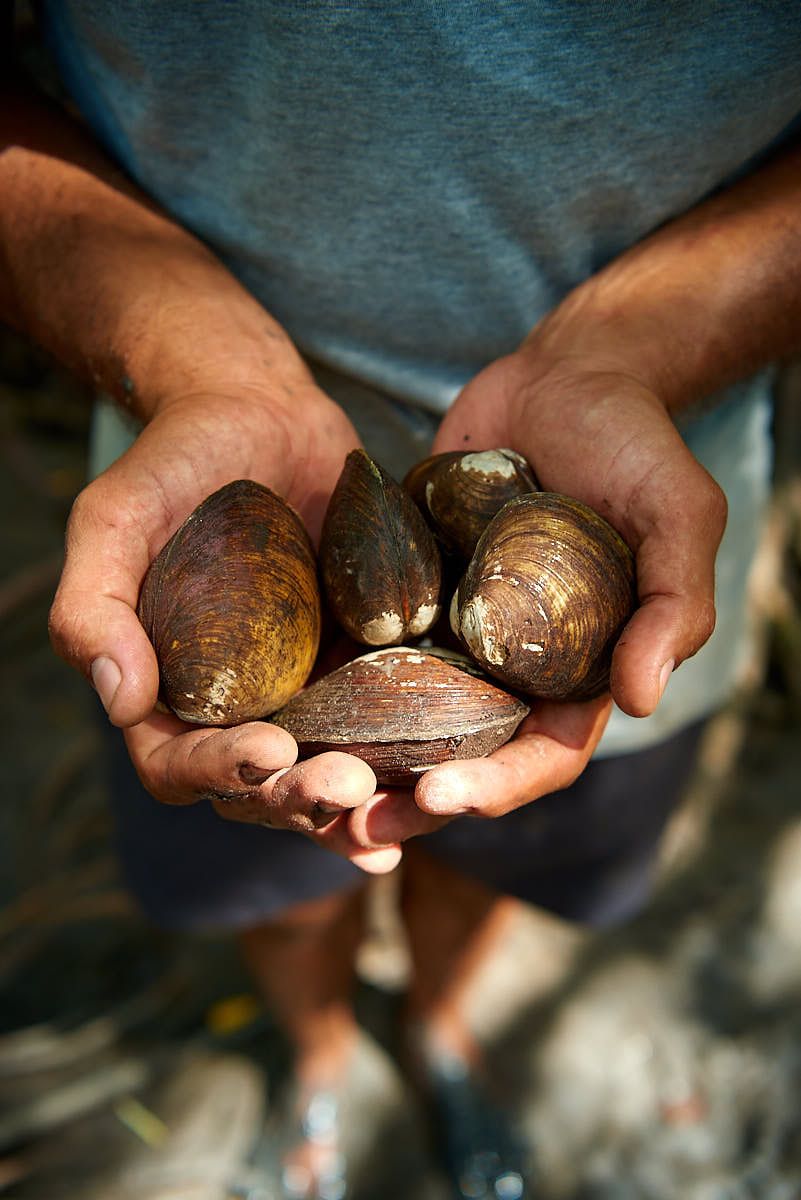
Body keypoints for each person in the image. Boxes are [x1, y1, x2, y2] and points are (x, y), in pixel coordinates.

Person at [3, 4, 801, 1196]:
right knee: (273, 880)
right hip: (193, 467)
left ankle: (436, 1025)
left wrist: (640, 347)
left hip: (633, 484)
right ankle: (322, 1054)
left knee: (494, 854)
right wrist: (186, 359)